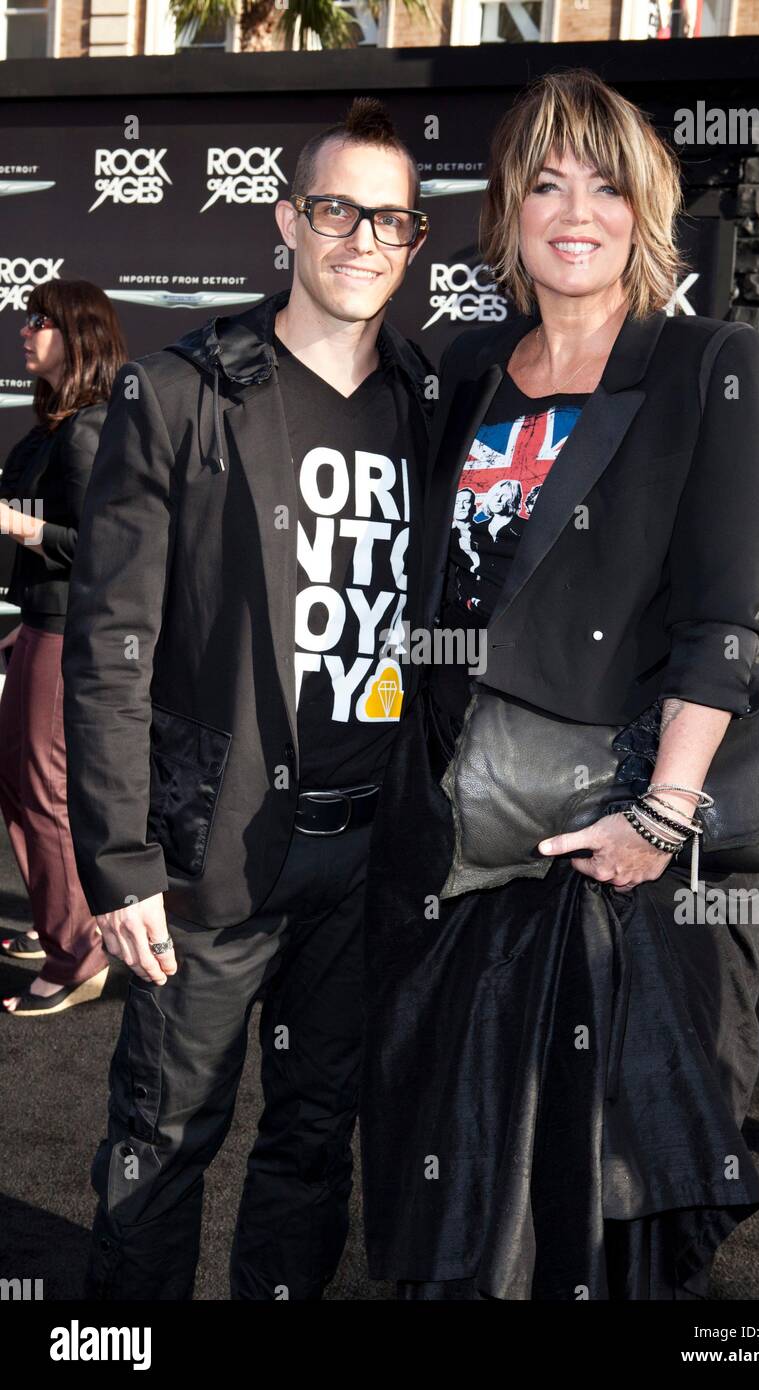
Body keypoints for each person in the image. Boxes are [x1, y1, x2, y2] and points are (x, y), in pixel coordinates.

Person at [360, 69, 759, 1300]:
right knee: (441, 1179)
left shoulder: (709, 362)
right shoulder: (463, 368)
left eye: (603, 181)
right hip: (452, 833)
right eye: (543, 181)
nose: (573, 209)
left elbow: (720, 621)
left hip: (610, 846)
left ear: (644, 203)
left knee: (578, 1199)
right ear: (507, 209)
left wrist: (659, 817)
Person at [61, 98, 432, 1300]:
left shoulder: (433, 410)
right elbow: (111, 648)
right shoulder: (181, 394)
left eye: (390, 219)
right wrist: (116, 865)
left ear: (413, 241)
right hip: (207, 863)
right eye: (337, 210)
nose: (362, 238)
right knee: (162, 1146)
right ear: (288, 220)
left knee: (315, 1145)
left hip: (367, 855)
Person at [0, 280, 125, 1016]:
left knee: (43, 790)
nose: (25, 331)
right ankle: (57, 923)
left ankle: (78, 952)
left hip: (70, 631)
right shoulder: (52, 427)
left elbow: (107, 548)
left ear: (76, 334)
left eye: (40, 321)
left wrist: (20, 529)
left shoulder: (90, 430)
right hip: (40, 623)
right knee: (18, 782)